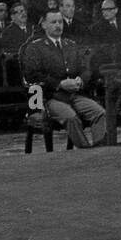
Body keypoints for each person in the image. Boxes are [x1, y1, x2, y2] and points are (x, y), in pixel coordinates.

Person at [21, 12, 106, 148]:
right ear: (44, 25)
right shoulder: (35, 48)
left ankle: (100, 147)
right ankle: (86, 150)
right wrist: (59, 84)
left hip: (74, 94)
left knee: (99, 113)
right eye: (53, 22)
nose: (58, 25)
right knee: (71, 118)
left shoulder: (70, 45)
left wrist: (80, 80)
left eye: (60, 22)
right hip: (50, 97)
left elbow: (85, 69)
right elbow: (32, 75)